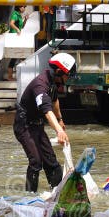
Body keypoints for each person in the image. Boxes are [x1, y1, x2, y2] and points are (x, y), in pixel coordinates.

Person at [14, 52, 75, 192]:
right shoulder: (40, 85)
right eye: (68, 74)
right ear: (59, 71)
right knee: (36, 162)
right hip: (24, 126)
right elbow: (47, 111)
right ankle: (30, 197)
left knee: (51, 162)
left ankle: (58, 194)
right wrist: (59, 131)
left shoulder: (53, 82)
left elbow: (54, 101)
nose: (69, 78)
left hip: (37, 125)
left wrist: (60, 120)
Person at [6, 5, 28, 81]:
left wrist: (25, 20)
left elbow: (21, 27)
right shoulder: (15, 14)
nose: (24, 8)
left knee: (16, 57)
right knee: (15, 57)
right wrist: (17, 30)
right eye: (23, 7)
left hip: (17, 38)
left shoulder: (19, 15)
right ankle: (10, 76)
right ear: (19, 8)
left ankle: (11, 76)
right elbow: (11, 23)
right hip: (14, 38)